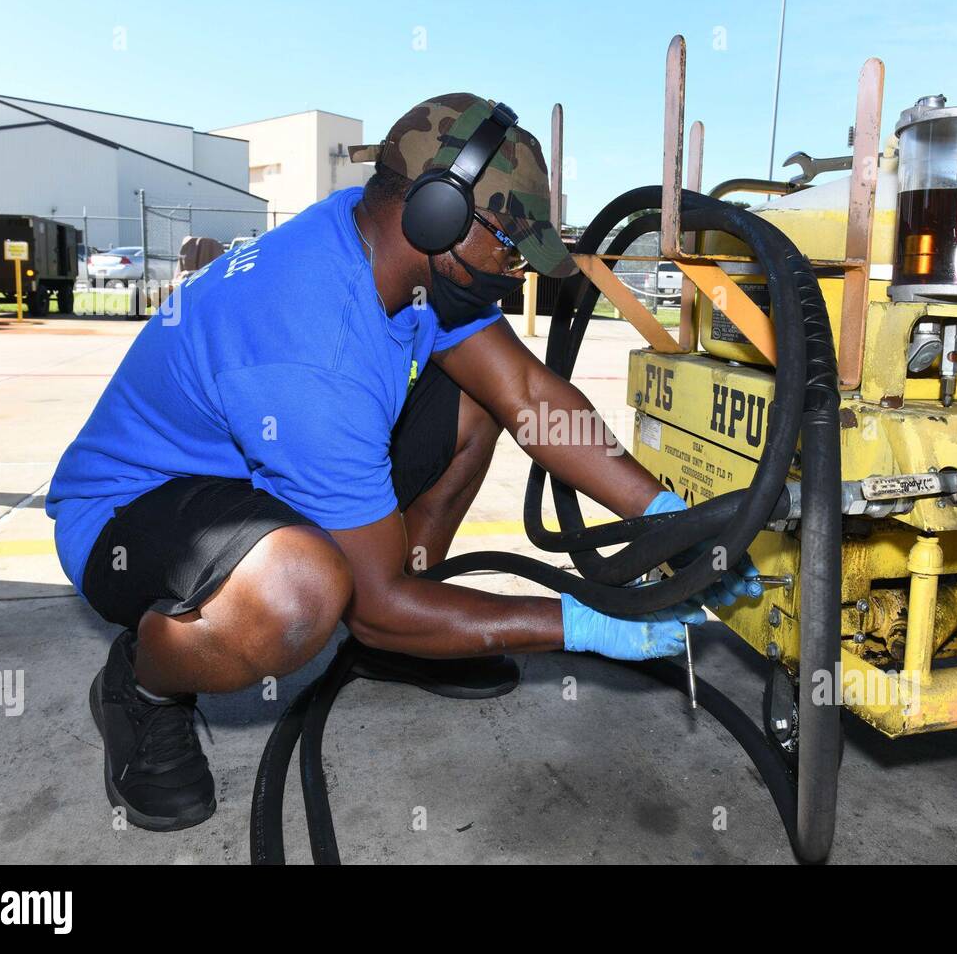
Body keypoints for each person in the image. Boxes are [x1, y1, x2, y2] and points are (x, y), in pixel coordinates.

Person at [46, 93, 760, 832]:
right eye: (508, 246)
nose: (515, 271)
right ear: (437, 215)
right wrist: (587, 623)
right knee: (301, 594)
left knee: (477, 399)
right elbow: (371, 600)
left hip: (256, 467)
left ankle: (419, 618)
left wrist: (669, 519)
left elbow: (526, 394)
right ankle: (144, 685)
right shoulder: (315, 351)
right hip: (131, 514)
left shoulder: (388, 248)